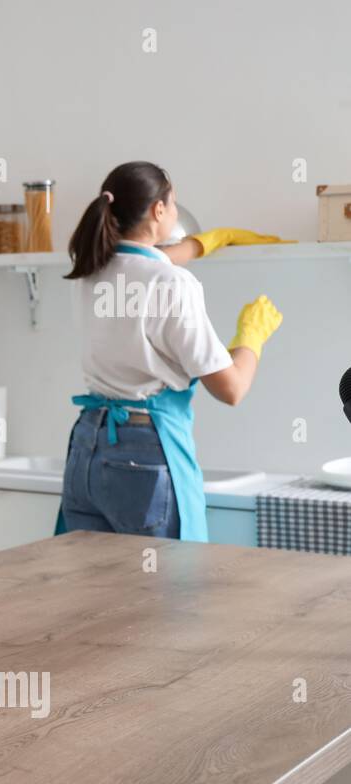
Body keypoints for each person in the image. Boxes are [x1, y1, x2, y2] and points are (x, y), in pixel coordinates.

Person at [57, 161, 284, 541]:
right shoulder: (174, 284)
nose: (176, 212)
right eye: (174, 204)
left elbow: (142, 267)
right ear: (158, 211)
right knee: (169, 591)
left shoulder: (88, 273)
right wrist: (252, 335)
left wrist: (201, 243)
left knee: (95, 593)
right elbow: (231, 389)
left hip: (87, 451)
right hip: (142, 456)